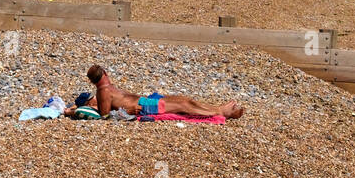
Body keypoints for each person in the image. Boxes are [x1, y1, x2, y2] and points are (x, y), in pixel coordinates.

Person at [70, 64, 244, 119]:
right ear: (104, 76)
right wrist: (127, 112)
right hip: (145, 107)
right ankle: (221, 112)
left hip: (146, 101)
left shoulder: (105, 89)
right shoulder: (103, 92)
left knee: (185, 99)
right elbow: (106, 117)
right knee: (184, 104)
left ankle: (216, 108)